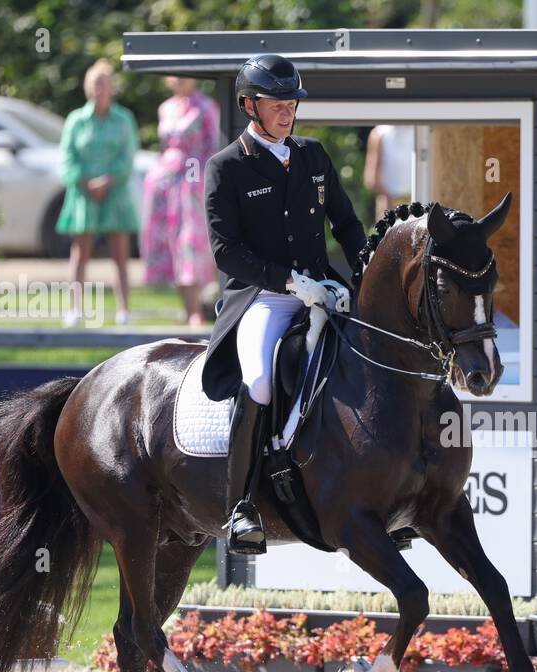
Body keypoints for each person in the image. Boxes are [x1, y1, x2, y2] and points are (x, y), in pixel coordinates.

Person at [202, 53, 367, 554]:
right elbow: (227, 252)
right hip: (265, 298)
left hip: (325, 291)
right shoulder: (226, 167)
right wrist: (291, 282)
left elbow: (347, 224)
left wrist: (362, 276)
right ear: (249, 106)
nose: (287, 112)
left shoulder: (313, 156)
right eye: (277, 104)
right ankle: (240, 507)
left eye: (292, 103)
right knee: (258, 381)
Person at [58, 59, 139, 327]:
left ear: (111, 88)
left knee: (120, 254)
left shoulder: (124, 119)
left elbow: (128, 156)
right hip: (83, 193)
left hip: (115, 193)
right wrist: (85, 182)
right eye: (94, 84)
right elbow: (67, 156)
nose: (99, 90)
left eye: (103, 84)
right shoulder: (76, 120)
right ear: (87, 88)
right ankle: (75, 309)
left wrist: (108, 180)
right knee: (80, 253)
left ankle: (124, 310)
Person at [141, 76, 221, 327]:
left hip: (193, 180)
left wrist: (201, 181)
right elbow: (164, 146)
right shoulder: (166, 108)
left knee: (191, 242)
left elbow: (212, 146)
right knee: (171, 242)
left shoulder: (206, 107)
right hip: (166, 182)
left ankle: (198, 309)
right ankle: (186, 308)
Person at [364, 124, 415, 220]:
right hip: (390, 208)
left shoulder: (421, 132)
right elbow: (371, 180)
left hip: (418, 207)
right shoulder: (379, 134)